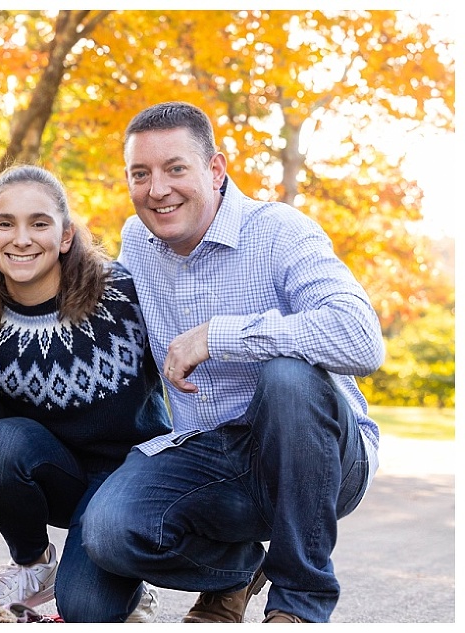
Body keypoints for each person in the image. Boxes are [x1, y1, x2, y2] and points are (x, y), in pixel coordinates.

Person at [80, 101, 385, 623]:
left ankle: (299, 602)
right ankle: (237, 572)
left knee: (287, 377)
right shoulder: (138, 241)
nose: (157, 189)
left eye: (176, 168)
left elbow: (362, 339)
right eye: (140, 173)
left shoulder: (280, 231)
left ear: (215, 169)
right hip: (215, 458)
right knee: (110, 529)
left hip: (321, 458)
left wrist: (221, 337)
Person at [0, 164, 171, 623]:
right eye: (6, 224)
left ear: (65, 236)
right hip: (51, 468)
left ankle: (128, 573)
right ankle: (33, 562)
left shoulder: (122, 292)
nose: (22, 239)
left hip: (130, 476)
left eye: (39, 223)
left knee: (86, 609)